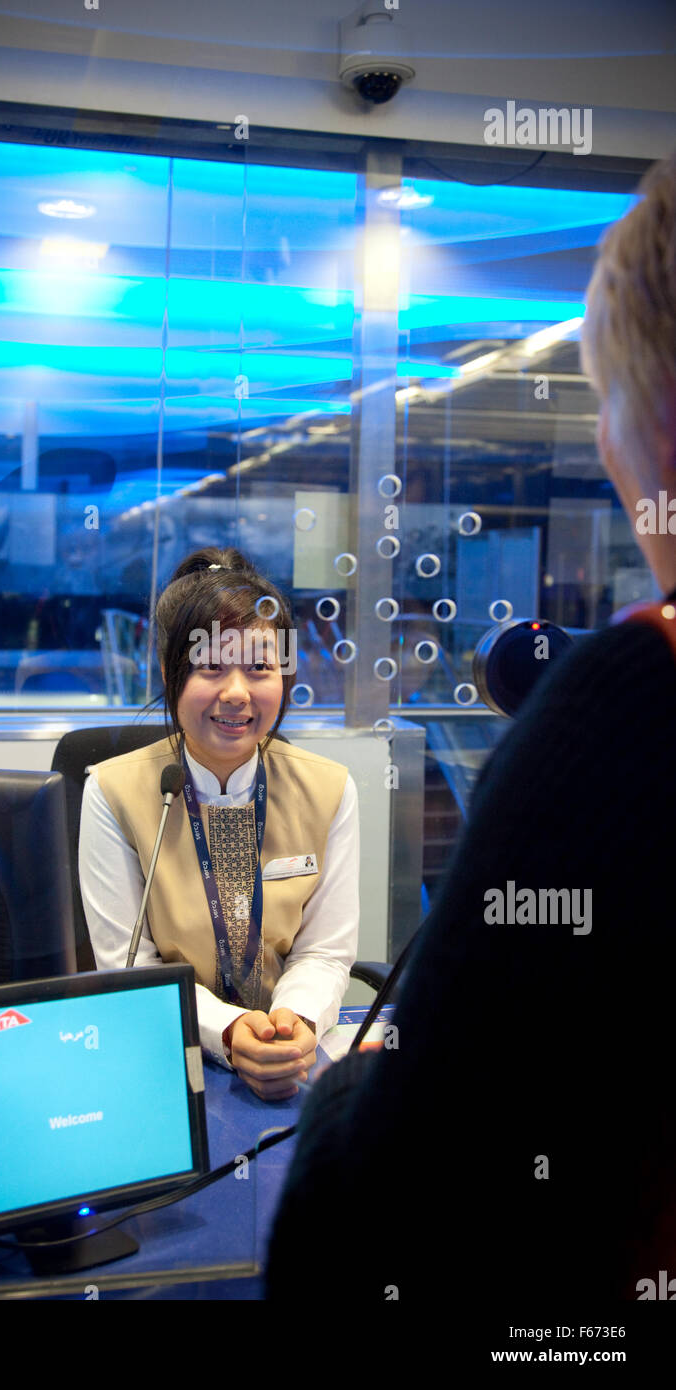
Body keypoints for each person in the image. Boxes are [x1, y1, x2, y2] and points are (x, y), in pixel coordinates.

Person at [267, 151, 676, 1304]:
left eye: (604, 404)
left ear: (646, 436)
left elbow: (364, 1232)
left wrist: (360, 1071)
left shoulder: (633, 699)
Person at [79, 547, 360, 1101]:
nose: (237, 691)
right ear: (170, 673)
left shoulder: (329, 790)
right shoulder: (113, 792)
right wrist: (228, 1032)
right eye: (211, 667)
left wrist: (293, 1024)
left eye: (259, 667)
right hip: (162, 1057)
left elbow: (324, 952)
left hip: (291, 1058)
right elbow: (132, 965)